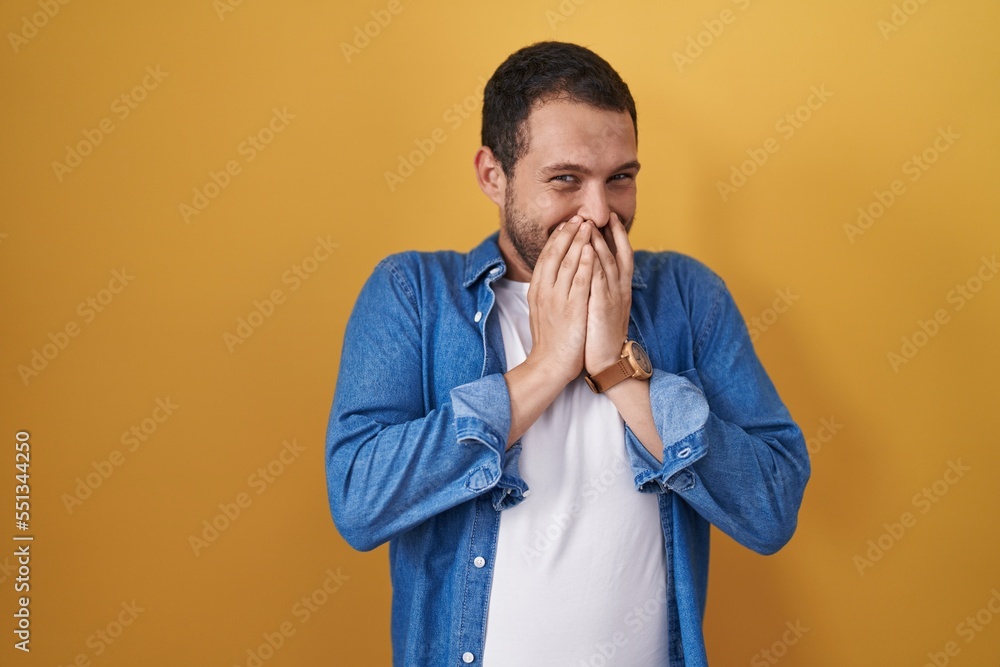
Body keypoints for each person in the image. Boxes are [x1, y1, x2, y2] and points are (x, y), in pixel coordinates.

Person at [325, 41, 810, 667]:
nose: (599, 212)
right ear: (493, 175)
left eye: (621, 179)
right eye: (566, 180)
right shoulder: (413, 294)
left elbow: (771, 509)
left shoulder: (690, 297)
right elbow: (361, 502)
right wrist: (547, 366)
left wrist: (618, 371)